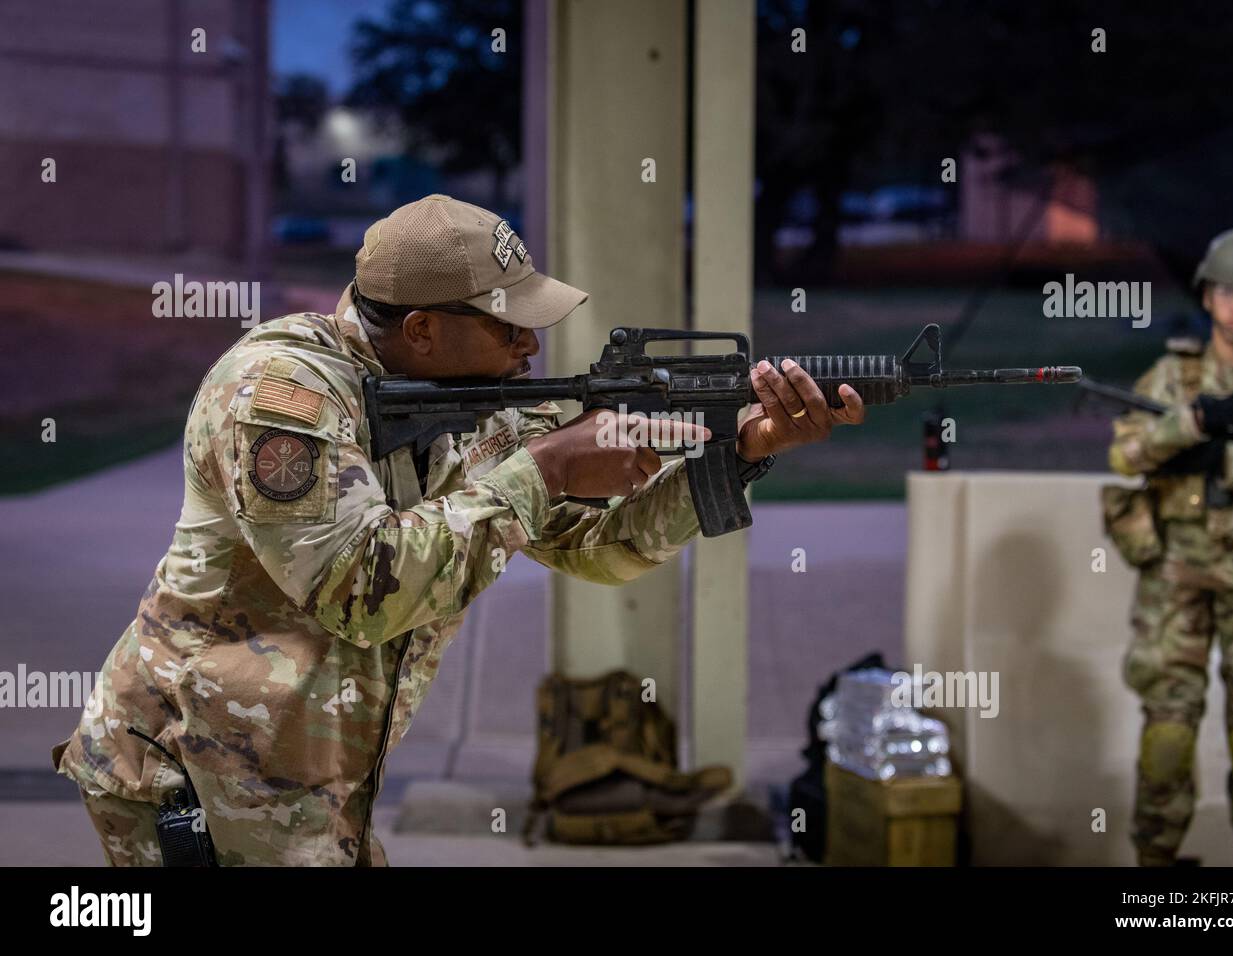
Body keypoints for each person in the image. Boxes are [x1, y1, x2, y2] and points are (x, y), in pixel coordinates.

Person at [52, 194, 867, 865]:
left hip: (313, 783)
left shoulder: (472, 397)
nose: (530, 344)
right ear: (421, 331)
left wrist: (741, 451)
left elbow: (597, 550)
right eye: (508, 325)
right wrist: (545, 470)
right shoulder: (278, 395)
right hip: (194, 773)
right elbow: (357, 590)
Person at [1108, 227, 1233, 866]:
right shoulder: (1172, 375)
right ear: (1208, 296)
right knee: (1165, 738)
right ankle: (1154, 875)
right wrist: (1192, 424)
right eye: (1226, 292)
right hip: (1177, 574)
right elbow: (1125, 452)